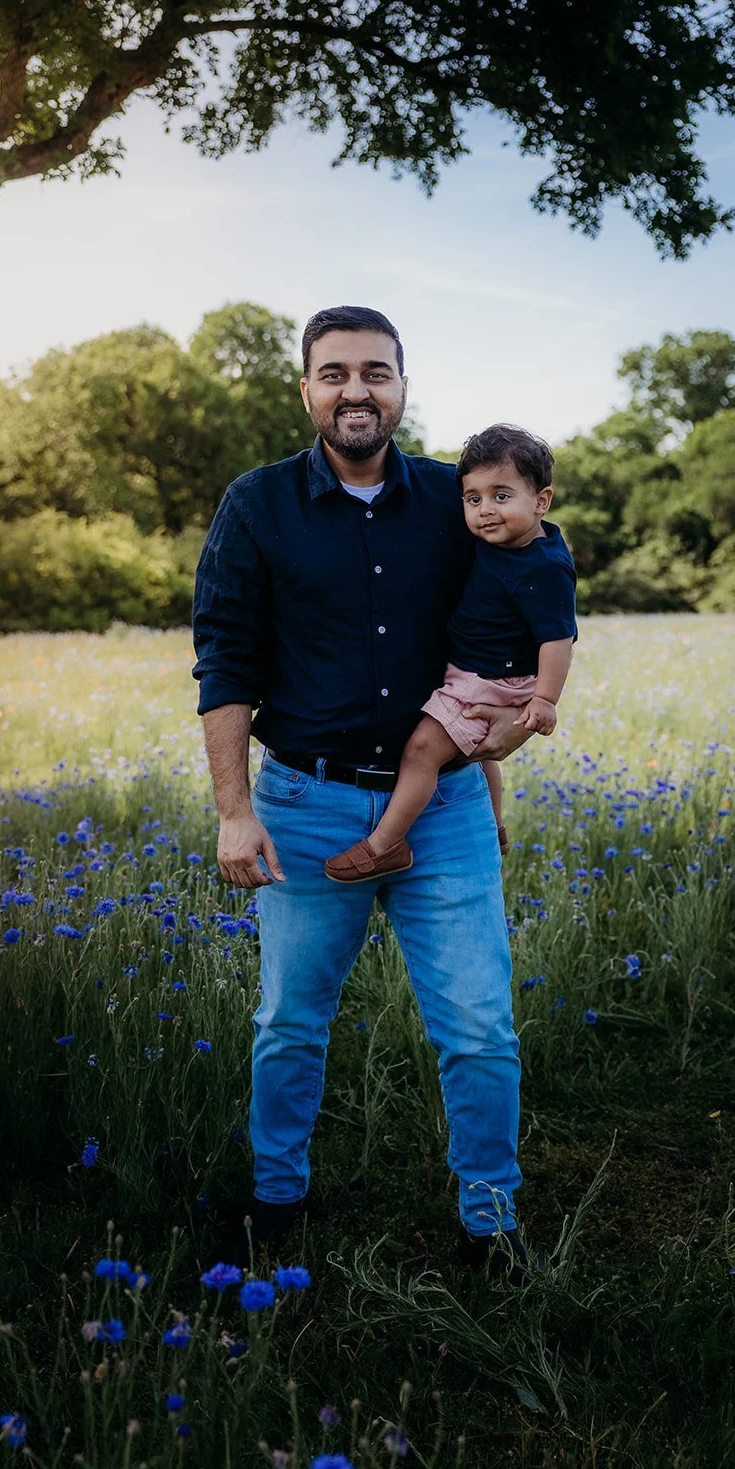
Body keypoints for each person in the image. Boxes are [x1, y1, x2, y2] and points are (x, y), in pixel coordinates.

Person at [192, 306, 538, 1276]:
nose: (356, 390)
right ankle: (275, 1199)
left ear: (401, 386)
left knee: (477, 1027)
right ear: (303, 388)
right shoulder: (257, 506)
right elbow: (223, 663)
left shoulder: (451, 501)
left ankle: (490, 1219)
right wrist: (233, 808)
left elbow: (482, 651)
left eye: (375, 373)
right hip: (305, 807)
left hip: (448, 813)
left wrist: (493, 787)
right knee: (288, 1023)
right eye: (334, 372)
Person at [324, 424, 576, 883]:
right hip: (476, 670)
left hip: (490, 681)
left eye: (502, 496)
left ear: (541, 500)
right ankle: (493, 826)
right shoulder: (504, 544)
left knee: (423, 751)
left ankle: (385, 845)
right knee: (476, 758)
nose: (485, 511)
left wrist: (544, 700)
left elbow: (558, 637)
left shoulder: (543, 566)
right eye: (473, 499)